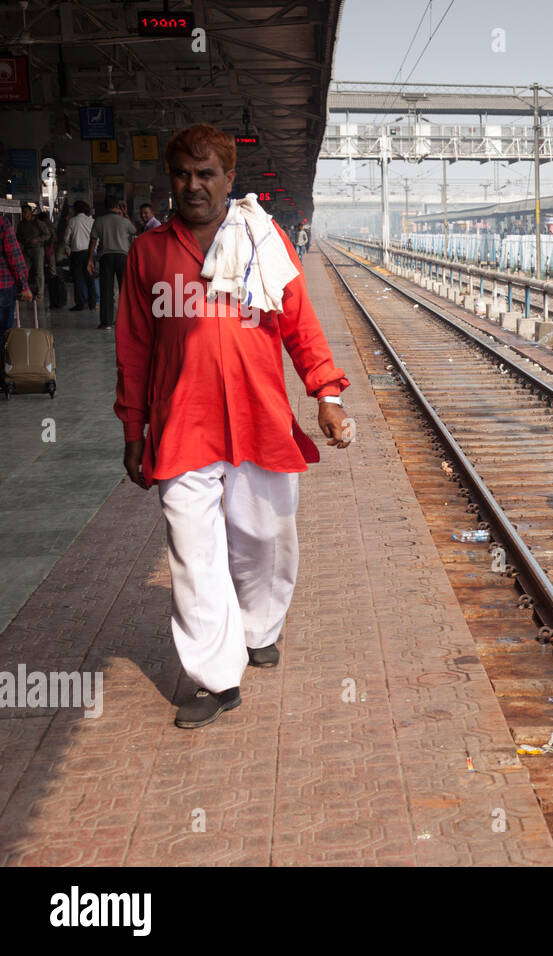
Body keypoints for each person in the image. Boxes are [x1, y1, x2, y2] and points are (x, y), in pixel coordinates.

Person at [114, 123, 352, 729]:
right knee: (193, 557)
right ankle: (215, 678)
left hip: (259, 420)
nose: (193, 186)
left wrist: (325, 393)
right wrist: (132, 430)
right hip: (181, 428)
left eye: (206, 174)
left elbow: (300, 324)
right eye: (182, 175)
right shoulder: (148, 254)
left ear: (229, 178)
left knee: (265, 538)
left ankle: (259, 628)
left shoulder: (264, 241)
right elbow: (134, 347)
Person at [88, 200, 137, 330]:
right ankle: (127, 321)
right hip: (123, 257)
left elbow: (93, 240)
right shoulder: (124, 221)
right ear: (117, 207)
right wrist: (126, 214)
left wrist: (90, 260)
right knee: (125, 290)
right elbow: (134, 230)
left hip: (106, 257)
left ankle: (106, 322)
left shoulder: (99, 220)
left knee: (106, 290)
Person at [0, 213, 34, 331]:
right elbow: (14, 257)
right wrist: (24, 286)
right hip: (2, 285)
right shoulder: (2, 223)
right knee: (3, 332)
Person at [16, 204, 53, 303]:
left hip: (38, 249)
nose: (24, 214)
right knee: (23, 271)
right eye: (23, 212)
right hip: (26, 249)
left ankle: (40, 293)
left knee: (39, 271)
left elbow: (47, 235)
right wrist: (23, 240)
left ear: (30, 212)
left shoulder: (38, 223)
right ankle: (24, 290)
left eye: (26, 212)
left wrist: (37, 239)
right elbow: (17, 236)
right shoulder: (21, 224)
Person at [64, 200, 96, 311]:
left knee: (77, 280)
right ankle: (92, 304)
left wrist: (70, 244)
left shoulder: (72, 221)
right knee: (90, 279)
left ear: (75, 210)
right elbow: (96, 238)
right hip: (89, 253)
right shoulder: (91, 221)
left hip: (76, 254)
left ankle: (80, 304)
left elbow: (66, 238)